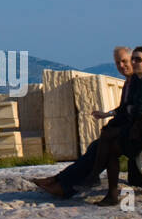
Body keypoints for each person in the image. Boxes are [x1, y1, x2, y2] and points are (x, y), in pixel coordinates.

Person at [31, 46, 134, 199]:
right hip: (127, 131)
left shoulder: (138, 82)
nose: (121, 66)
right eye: (118, 62)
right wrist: (107, 114)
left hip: (133, 134)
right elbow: (124, 108)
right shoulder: (129, 83)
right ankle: (61, 182)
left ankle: (63, 184)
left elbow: (134, 111)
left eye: (124, 61)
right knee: (96, 147)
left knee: (100, 148)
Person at [90, 45, 142, 206]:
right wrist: (110, 114)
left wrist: (128, 110)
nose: (133, 62)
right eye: (132, 59)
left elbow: (138, 111)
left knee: (108, 137)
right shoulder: (139, 81)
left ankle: (96, 179)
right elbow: (128, 108)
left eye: (137, 59)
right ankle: (107, 190)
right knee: (110, 144)